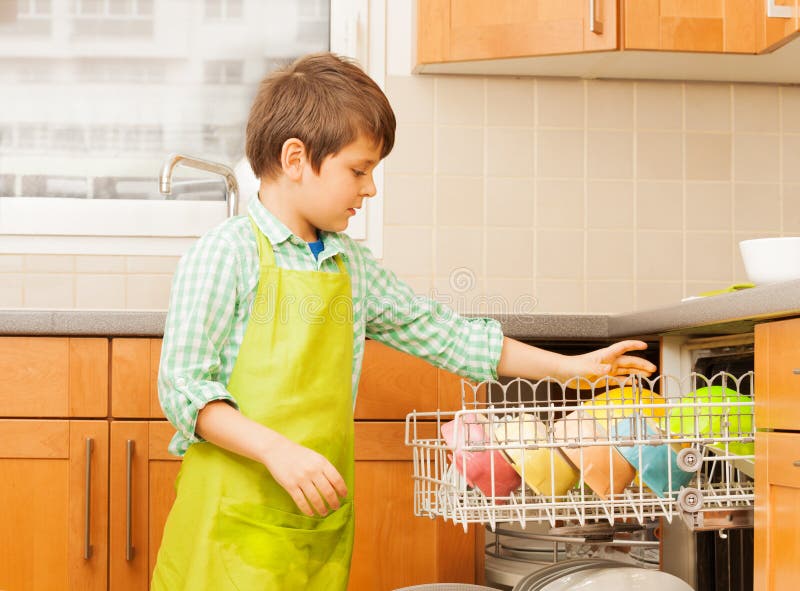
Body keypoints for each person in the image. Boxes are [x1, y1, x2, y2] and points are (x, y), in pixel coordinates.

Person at [151, 52, 656, 591]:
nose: (369, 189)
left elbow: (452, 337)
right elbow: (184, 389)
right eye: (358, 170)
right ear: (296, 158)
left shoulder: (351, 267)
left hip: (313, 524)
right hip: (227, 528)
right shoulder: (225, 254)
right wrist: (276, 450)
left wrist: (572, 369)